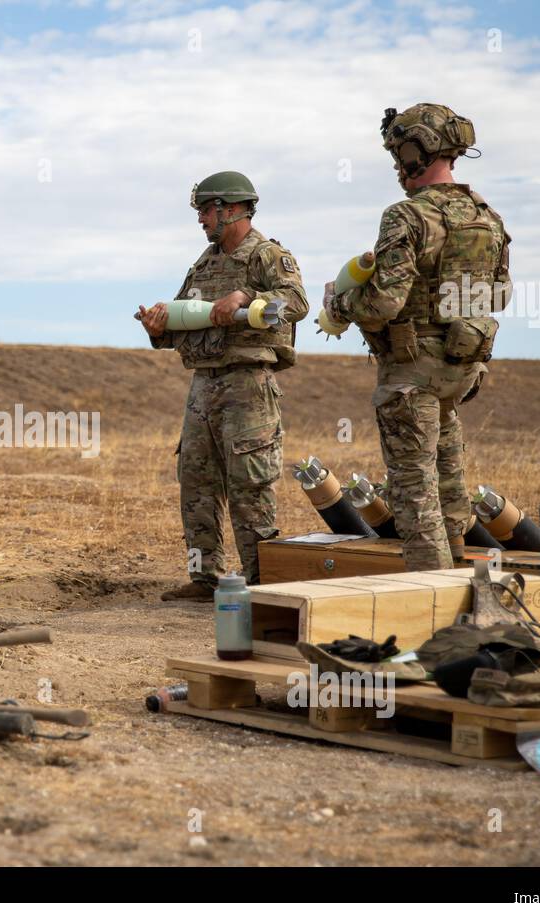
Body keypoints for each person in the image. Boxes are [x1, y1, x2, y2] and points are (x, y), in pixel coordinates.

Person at [323, 103, 512, 571]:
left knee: (413, 489)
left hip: (412, 374)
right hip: (462, 367)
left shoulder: (405, 216)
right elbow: (500, 294)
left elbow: (385, 303)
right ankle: (463, 581)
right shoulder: (488, 216)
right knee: (450, 479)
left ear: (416, 152)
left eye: (397, 154)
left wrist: (340, 306)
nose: (395, 166)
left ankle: (431, 594)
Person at [137, 171, 309, 600]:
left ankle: (262, 586)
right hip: (204, 385)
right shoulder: (205, 262)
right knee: (196, 482)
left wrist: (247, 298)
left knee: (250, 484)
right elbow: (182, 321)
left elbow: (298, 303)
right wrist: (158, 326)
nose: (200, 220)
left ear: (231, 209)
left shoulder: (267, 256)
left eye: (204, 211)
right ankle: (204, 579)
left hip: (248, 386)